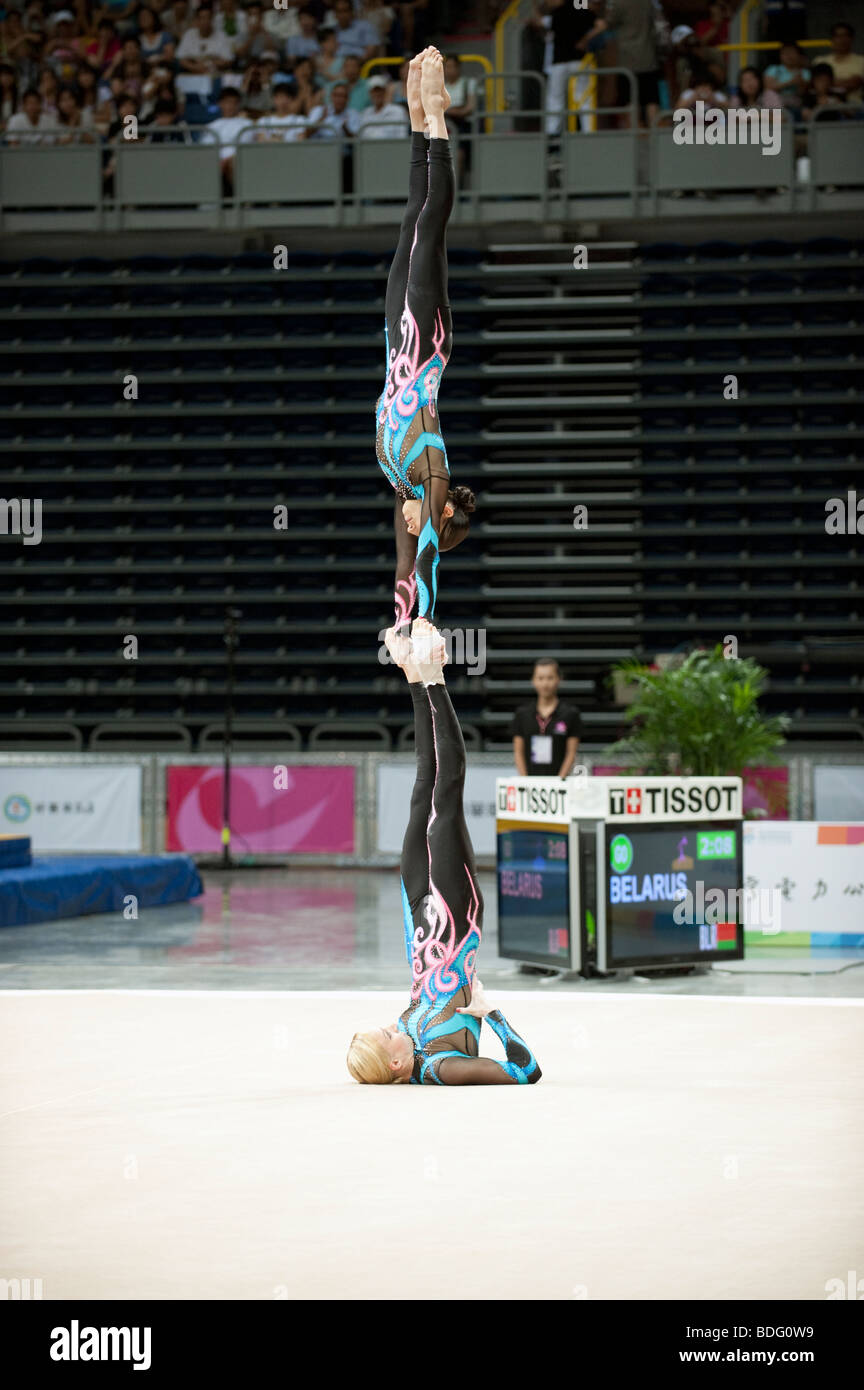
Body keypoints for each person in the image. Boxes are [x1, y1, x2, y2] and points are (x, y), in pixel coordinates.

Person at [346, 624, 542, 1086]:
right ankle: (433, 678)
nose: (389, 1026)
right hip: (455, 917)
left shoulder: (408, 1037)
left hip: (417, 911)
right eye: (384, 1035)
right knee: (447, 791)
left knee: (423, 786)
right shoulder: (440, 1066)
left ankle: (415, 677)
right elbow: (526, 1072)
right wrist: (491, 1012)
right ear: (396, 1064)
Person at [375, 48, 474, 643]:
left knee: (413, 221)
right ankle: (437, 118)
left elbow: (403, 565)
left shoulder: (401, 485)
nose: (409, 528)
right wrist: (425, 622)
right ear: (441, 514)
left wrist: (397, 627)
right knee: (432, 227)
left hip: (396, 337)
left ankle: (417, 120)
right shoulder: (431, 474)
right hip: (426, 339)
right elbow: (426, 565)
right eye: (423, 525)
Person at [511, 658, 582, 778]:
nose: (545, 683)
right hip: (529, 783)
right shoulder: (522, 714)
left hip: (559, 784)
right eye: (540, 678)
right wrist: (525, 781)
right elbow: (518, 752)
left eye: (550, 678)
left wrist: (559, 781)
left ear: (559, 679)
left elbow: (571, 753)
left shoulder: (570, 714)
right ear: (533, 680)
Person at [818, 22, 864, 107]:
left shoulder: (861, 61)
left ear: (852, 38)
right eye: (838, 36)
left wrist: (828, 83)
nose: (842, 40)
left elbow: (856, 83)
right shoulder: (820, 61)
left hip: (856, 108)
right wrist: (848, 82)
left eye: (846, 36)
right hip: (824, 107)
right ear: (832, 39)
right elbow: (815, 85)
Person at [763, 41, 810, 116]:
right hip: (777, 102)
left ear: (799, 55)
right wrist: (790, 82)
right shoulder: (773, 69)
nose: (789, 56)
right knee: (769, 94)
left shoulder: (805, 72)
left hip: (797, 103)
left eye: (792, 53)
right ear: (780, 55)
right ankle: (780, 117)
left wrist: (800, 82)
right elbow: (768, 87)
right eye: (786, 53)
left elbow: (804, 92)